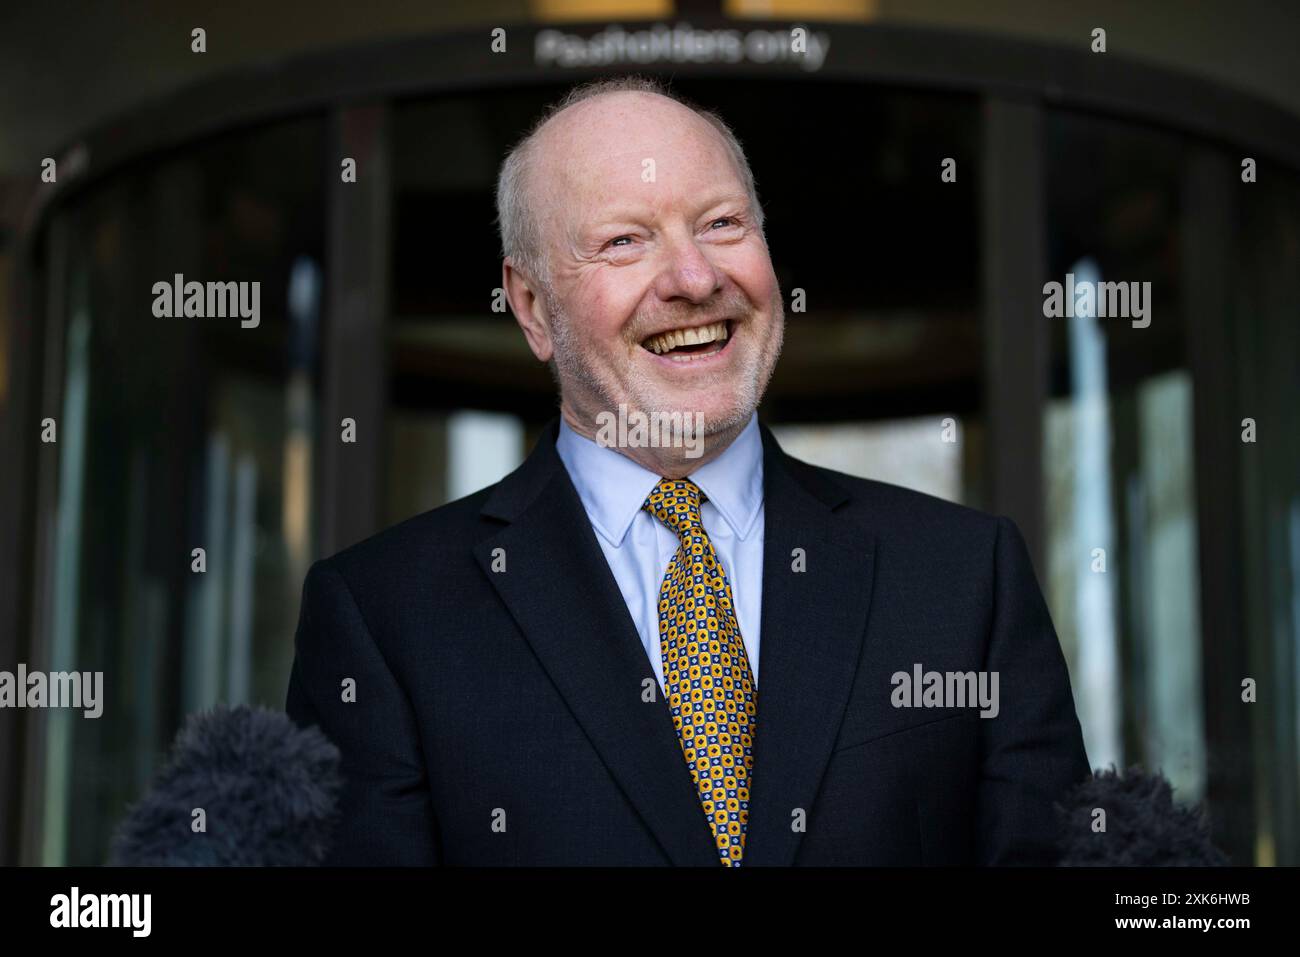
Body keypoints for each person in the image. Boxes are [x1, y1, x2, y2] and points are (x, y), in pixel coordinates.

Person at [285, 75, 1090, 866]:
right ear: (531, 308)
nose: (696, 278)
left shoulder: (963, 578)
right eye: (625, 240)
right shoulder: (384, 618)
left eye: (722, 223)